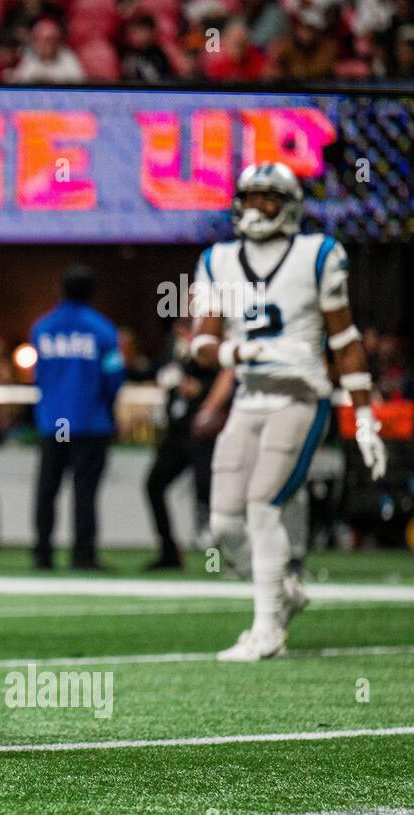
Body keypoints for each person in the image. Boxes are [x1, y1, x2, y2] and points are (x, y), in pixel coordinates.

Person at [191, 162, 386, 661]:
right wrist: (237, 354)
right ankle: (284, 592)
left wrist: (364, 417)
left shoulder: (317, 254)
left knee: (263, 504)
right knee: (223, 525)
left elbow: (344, 342)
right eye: (250, 198)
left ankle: (266, 631)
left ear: (290, 206)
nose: (256, 208)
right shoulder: (218, 259)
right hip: (248, 397)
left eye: (267, 199)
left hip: (301, 395)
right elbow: (202, 344)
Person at [30, 265, 125, 571]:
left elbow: (38, 375)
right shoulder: (103, 330)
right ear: (92, 292)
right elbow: (114, 377)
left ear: (62, 289)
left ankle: (42, 553)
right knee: (84, 491)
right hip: (90, 421)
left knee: (47, 488)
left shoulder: (42, 328)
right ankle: (83, 555)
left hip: (53, 420)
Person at [144, 322, 219, 569]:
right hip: (178, 433)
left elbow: (231, 377)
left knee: (209, 496)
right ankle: (169, 552)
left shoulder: (215, 334)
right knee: (154, 485)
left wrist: (202, 390)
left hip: (205, 432)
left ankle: (219, 559)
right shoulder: (174, 344)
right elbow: (158, 369)